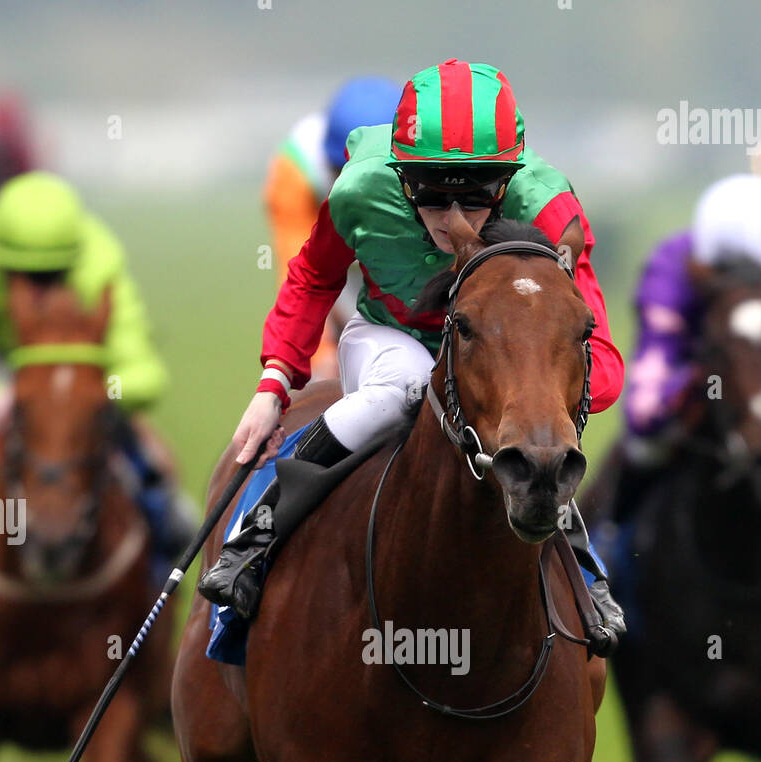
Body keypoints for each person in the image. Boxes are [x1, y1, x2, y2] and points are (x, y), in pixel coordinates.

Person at [199, 59, 625, 646]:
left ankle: (585, 575)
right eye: (428, 192)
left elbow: (590, 334)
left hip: (497, 353)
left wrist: (556, 389)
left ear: (507, 182)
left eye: (476, 196)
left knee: (530, 428)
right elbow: (312, 278)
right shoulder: (358, 191)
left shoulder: (550, 208)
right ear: (401, 176)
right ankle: (257, 534)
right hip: (392, 340)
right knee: (402, 390)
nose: (451, 219)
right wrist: (275, 383)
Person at [0, 171, 196, 565]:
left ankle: (162, 553)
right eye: (24, 274)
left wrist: (84, 391)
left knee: (165, 498)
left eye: (52, 275)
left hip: (77, 383)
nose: (38, 290)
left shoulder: (99, 265)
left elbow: (144, 374)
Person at [618, 172, 761, 499]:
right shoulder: (673, 267)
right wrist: (702, 378)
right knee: (642, 449)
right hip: (702, 397)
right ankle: (605, 538)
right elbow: (643, 410)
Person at [263, 76, 401, 379]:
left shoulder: (427, 158)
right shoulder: (295, 171)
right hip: (338, 271)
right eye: (343, 173)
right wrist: (318, 358)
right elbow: (299, 271)